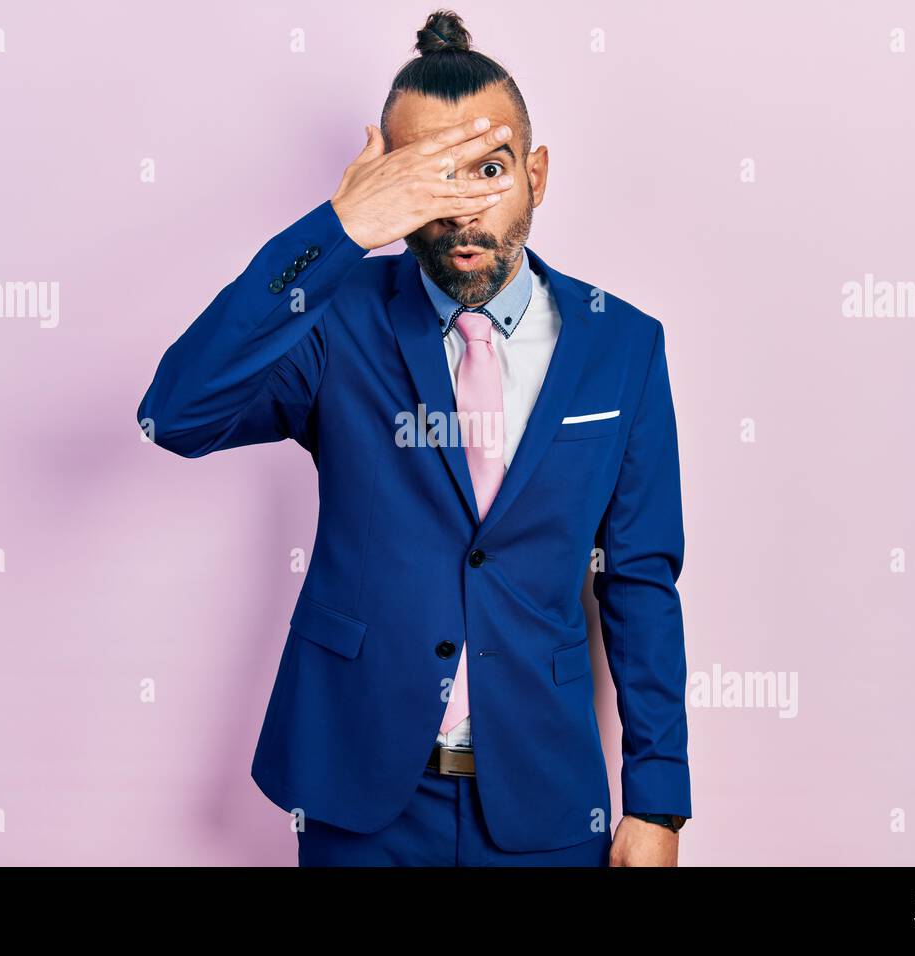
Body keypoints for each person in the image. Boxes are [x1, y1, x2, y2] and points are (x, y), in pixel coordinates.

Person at [136, 9, 691, 867]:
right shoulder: (338, 320)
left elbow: (641, 579)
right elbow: (177, 413)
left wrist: (658, 803)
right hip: (359, 794)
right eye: (430, 179)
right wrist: (336, 230)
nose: (463, 208)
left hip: (543, 800)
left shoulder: (622, 344)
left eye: (490, 169)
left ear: (537, 175)